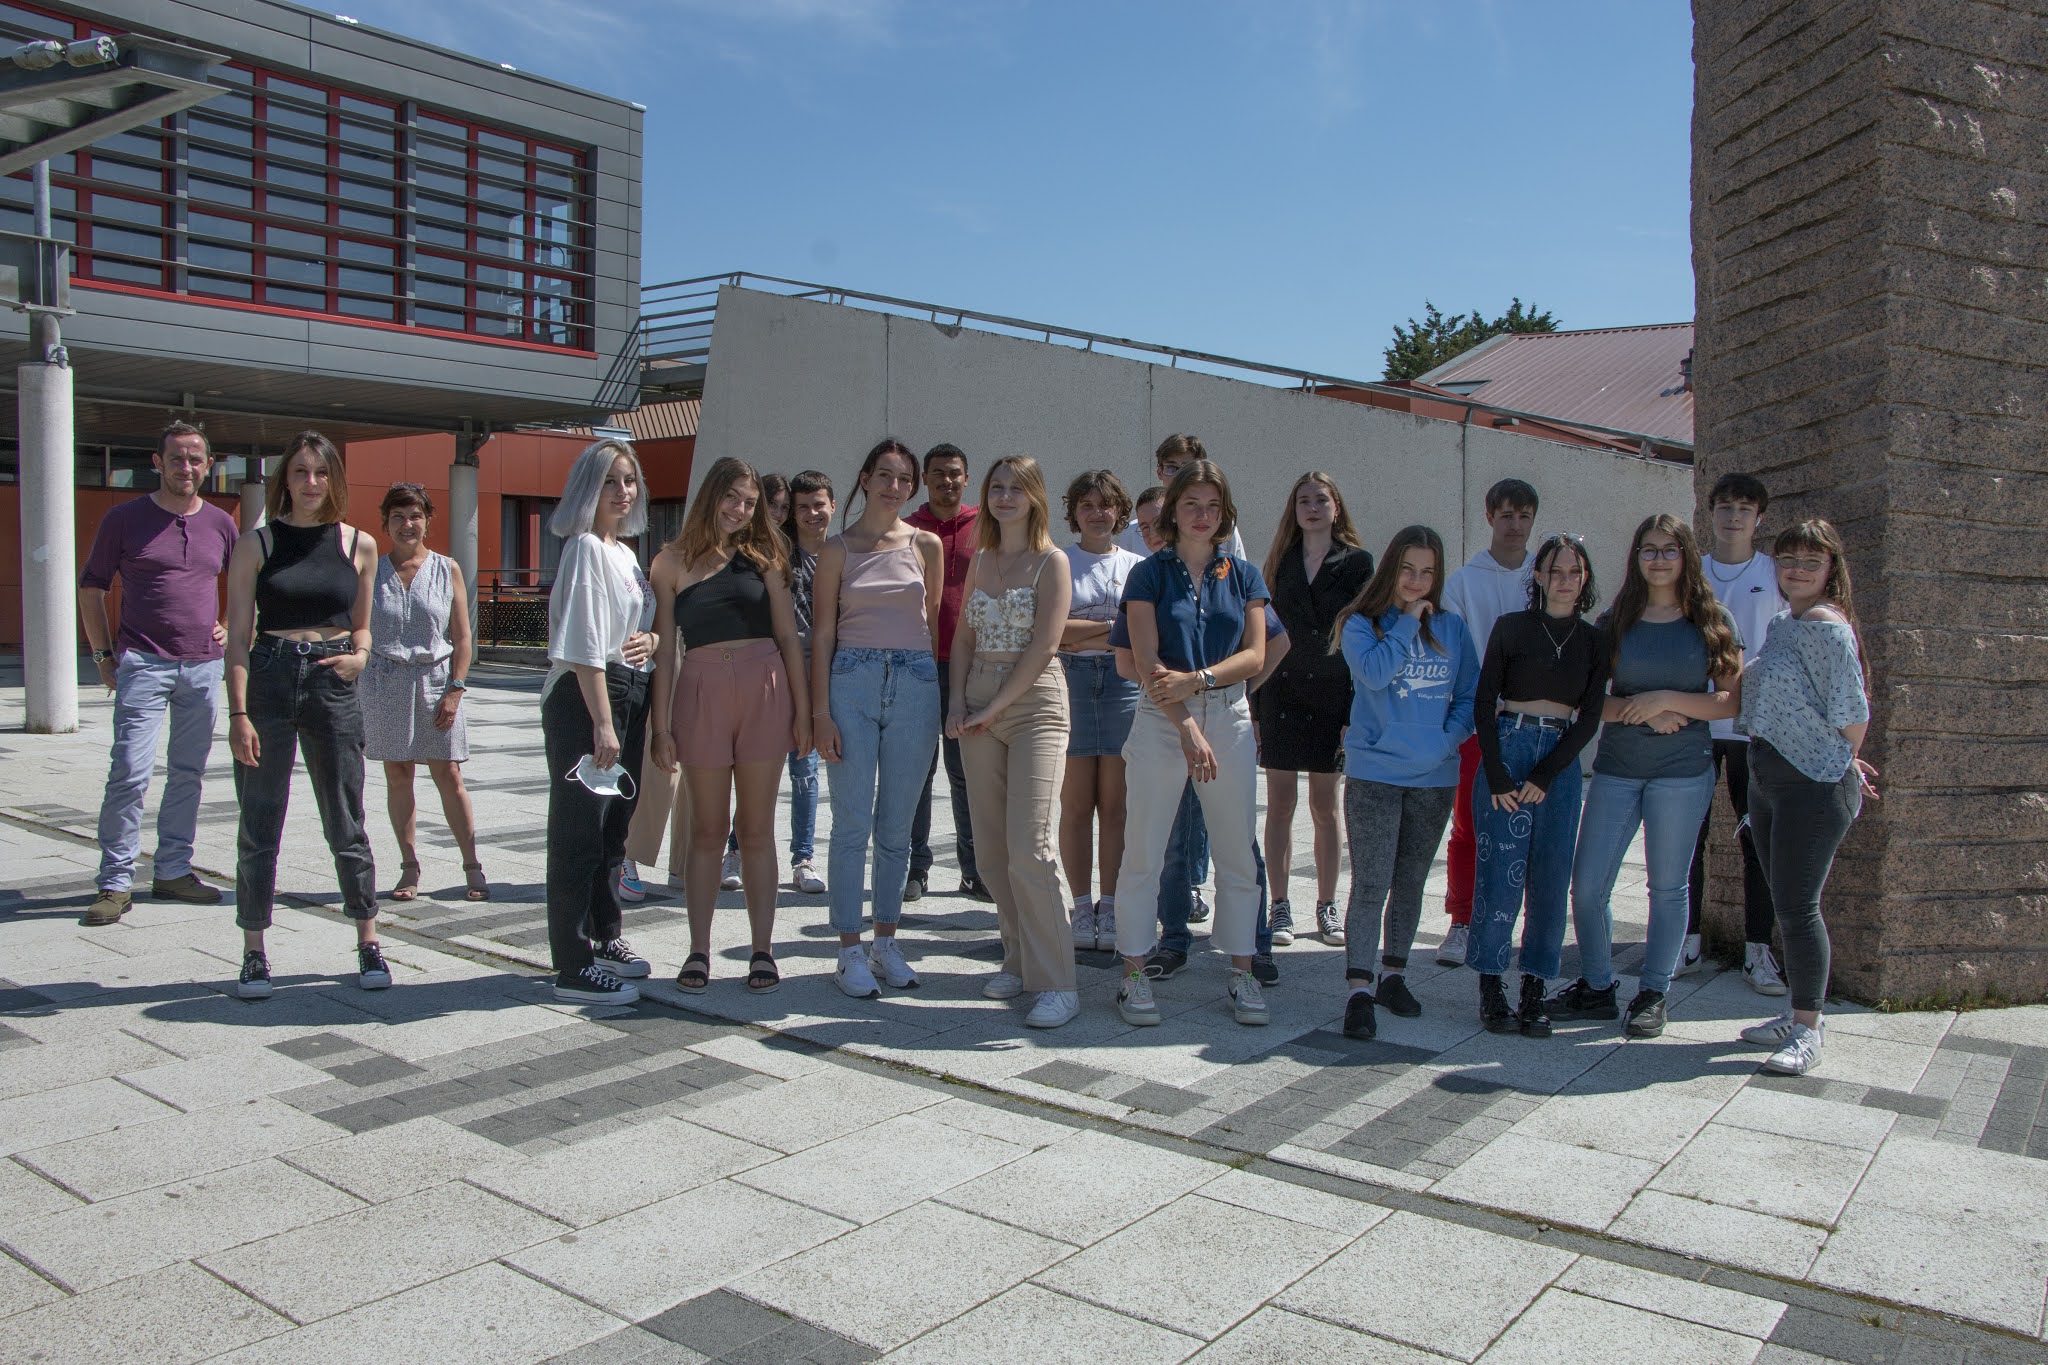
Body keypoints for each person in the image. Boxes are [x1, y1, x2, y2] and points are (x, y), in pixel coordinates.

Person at [1545, 514, 1743, 1038]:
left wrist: (1668, 700)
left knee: (1668, 888)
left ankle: (1653, 993)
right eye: (1649, 549)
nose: (1658, 559)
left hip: (1683, 773)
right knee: (1587, 887)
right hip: (1617, 769)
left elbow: (1729, 701)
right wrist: (1642, 710)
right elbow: (1587, 700)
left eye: (1669, 549)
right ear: (1636, 557)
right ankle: (1598, 986)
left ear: (1686, 557)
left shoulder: (1712, 618)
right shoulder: (1616, 620)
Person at [222, 431, 382, 999]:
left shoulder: (359, 543)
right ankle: (254, 952)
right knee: (259, 821)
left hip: (330, 679)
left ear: (334, 479)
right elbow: (237, 637)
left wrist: (360, 655)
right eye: (299, 473)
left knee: (346, 818)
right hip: (267, 678)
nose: (310, 483)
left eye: (320, 472)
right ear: (283, 480)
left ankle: (367, 940)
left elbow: (362, 623)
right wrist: (238, 712)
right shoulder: (256, 545)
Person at [1111, 460, 1270, 1029]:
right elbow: (1146, 663)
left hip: (1226, 715)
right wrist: (1185, 722)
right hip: (1162, 719)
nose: (1202, 516)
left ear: (1224, 512)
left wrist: (1202, 683)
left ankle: (1243, 971)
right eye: (1190, 505)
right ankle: (1133, 974)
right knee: (1144, 853)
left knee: (1235, 855)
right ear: (1172, 512)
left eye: (1212, 506)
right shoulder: (1149, 574)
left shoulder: (1245, 575)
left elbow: (1256, 655)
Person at [650, 457, 811, 995]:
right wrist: (661, 725)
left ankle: (762, 950)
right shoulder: (670, 563)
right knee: (706, 830)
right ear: (710, 495)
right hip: (699, 693)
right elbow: (666, 653)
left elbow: (790, 638)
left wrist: (805, 712)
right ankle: (698, 950)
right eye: (733, 498)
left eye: (749, 502)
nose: (741, 510)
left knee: (757, 831)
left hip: (765, 689)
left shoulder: (767, 555)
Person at [79, 420, 238, 926]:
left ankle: (172, 870)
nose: (186, 467)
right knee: (129, 772)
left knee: (188, 775)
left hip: (202, 667)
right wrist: (104, 657)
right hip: (143, 662)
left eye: (195, 459)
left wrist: (230, 625)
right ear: (158, 462)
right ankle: (115, 881)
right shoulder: (123, 519)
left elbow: (246, 582)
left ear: (209, 465)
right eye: (176, 458)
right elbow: (91, 589)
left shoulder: (221, 524)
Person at [1735, 519, 1877, 1075]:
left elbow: (1854, 715)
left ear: (1830, 571)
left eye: (1810, 562)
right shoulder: (1782, 624)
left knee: (1798, 906)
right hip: (1770, 780)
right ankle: (1797, 1015)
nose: (1795, 569)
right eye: (1787, 558)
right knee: (1785, 903)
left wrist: (1840, 760)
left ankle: (1808, 1028)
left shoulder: (1827, 627)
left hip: (1812, 788)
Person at [1333, 525, 1478, 1039]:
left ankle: (1393, 975)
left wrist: (1443, 745)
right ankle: (1358, 988)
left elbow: (1468, 700)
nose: (1417, 581)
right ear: (1392, 568)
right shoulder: (1360, 624)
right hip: (1375, 772)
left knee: (1411, 881)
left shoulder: (1455, 630)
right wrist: (1408, 623)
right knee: (1371, 883)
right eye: (1408, 569)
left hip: (1433, 776)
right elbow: (1374, 675)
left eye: (1428, 571)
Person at [950, 455, 1081, 1029]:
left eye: (1015, 489)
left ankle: (1058, 983)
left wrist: (995, 707)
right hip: (977, 700)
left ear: (1035, 497)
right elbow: (961, 640)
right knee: (991, 850)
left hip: (1033, 706)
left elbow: (1045, 645)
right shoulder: (980, 559)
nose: (1004, 497)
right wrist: (957, 702)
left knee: (1031, 846)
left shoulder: (1053, 562)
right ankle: (1018, 957)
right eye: (996, 488)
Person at [813, 439, 944, 998]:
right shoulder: (837, 548)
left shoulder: (927, 545)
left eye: (903, 478)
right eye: (884, 475)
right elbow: (821, 632)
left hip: (915, 682)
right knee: (851, 824)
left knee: (896, 826)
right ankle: (848, 949)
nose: (893, 486)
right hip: (852, 681)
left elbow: (932, 622)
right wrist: (819, 711)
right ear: (864, 479)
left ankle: (886, 941)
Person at [1467, 533, 1608, 1037]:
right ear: (1539, 577)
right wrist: (1500, 771)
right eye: (1554, 571)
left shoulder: (1593, 641)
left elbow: (1590, 717)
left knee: (1550, 880)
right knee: (1500, 873)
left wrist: (1548, 774)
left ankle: (1534, 989)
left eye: (1574, 571)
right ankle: (1490, 985)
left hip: (1560, 756)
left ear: (1584, 578)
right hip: (1509, 743)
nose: (1564, 580)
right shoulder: (1511, 628)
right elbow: (1483, 702)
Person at [539, 439, 660, 1004]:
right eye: (611, 481)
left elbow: (634, 625)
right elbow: (586, 644)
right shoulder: (584, 547)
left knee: (615, 829)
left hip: (628, 687)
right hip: (587, 695)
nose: (623, 491)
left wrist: (653, 639)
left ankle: (606, 933)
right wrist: (603, 722)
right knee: (578, 832)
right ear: (589, 487)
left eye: (629, 480)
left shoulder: (626, 554)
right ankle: (572, 963)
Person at [1257, 471, 1373, 948]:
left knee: (1326, 807)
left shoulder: (1358, 563)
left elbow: (1364, 635)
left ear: (1336, 506)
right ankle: (1279, 905)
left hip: (1333, 693)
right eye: (1303, 499)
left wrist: (1353, 710)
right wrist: (1258, 706)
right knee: (1280, 804)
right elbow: (1264, 634)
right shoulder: (1280, 561)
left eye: (1320, 499)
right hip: (1282, 691)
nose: (1312, 507)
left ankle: (1328, 907)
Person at [361, 482, 486, 903]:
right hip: (385, 682)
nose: (406, 524)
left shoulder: (446, 568)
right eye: (397, 517)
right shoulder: (371, 570)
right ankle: (409, 866)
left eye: (414, 516)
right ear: (385, 523)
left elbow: (463, 638)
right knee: (398, 774)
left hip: (436, 681)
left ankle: (472, 864)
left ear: (427, 521)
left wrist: (456, 688)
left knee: (448, 773)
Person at [1690, 472, 1789, 991]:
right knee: (1691, 835)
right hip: (1698, 724)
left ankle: (1757, 950)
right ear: (1712, 513)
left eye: (1744, 509)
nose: (1733, 517)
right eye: (1724, 507)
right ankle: (1686, 940)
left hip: (1755, 729)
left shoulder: (1774, 573)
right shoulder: (1692, 573)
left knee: (1756, 840)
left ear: (1759, 518)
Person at [1437, 478, 1539, 967]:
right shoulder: (1462, 582)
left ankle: (1518, 925)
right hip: (1481, 724)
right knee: (1470, 826)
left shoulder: (1544, 575)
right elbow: (1457, 652)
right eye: (1506, 516)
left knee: (1528, 828)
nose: (1515, 525)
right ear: (1489, 518)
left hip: (1536, 723)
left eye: (1523, 516)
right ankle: (1461, 921)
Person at [1055, 469, 1142, 953]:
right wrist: (1110, 627)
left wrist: (1085, 629)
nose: (1097, 513)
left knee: (1115, 804)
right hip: (1069, 679)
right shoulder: (1059, 562)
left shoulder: (1137, 564)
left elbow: (1139, 631)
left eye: (1106, 504)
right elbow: (1053, 633)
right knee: (1075, 804)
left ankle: (1110, 905)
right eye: (1087, 504)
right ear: (1074, 512)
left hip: (1122, 684)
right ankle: (1080, 904)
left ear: (1119, 510)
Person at [906, 442, 986, 902]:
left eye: (954, 473)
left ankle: (974, 869)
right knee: (917, 771)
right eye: (937, 474)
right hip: (919, 663)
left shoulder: (984, 527)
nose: (947, 482)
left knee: (966, 773)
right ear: (925, 480)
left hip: (970, 668)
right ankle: (915, 867)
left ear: (966, 477)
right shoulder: (909, 529)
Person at [716, 470, 798, 893]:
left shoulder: (781, 554)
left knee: (798, 781)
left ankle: (799, 857)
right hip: (719, 683)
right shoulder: (718, 554)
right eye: (774, 506)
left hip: (778, 680)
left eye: (787, 507)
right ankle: (728, 853)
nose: (781, 514)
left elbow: (789, 634)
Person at [782, 470, 835, 894]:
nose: (812, 513)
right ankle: (738, 849)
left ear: (832, 506)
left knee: (806, 769)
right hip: (779, 672)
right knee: (758, 768)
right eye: (803, 507)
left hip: (830, 674)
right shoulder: (779, 555)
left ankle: (803, 858)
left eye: (819, 505)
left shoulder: (844, 555)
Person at [1116, 434, 1246, 560]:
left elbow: (1239, 577)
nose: (1180, 475)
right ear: (1159, 472)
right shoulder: (1135, 531)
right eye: (1171, 467)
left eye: (1187, 468)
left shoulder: (1221, 525)